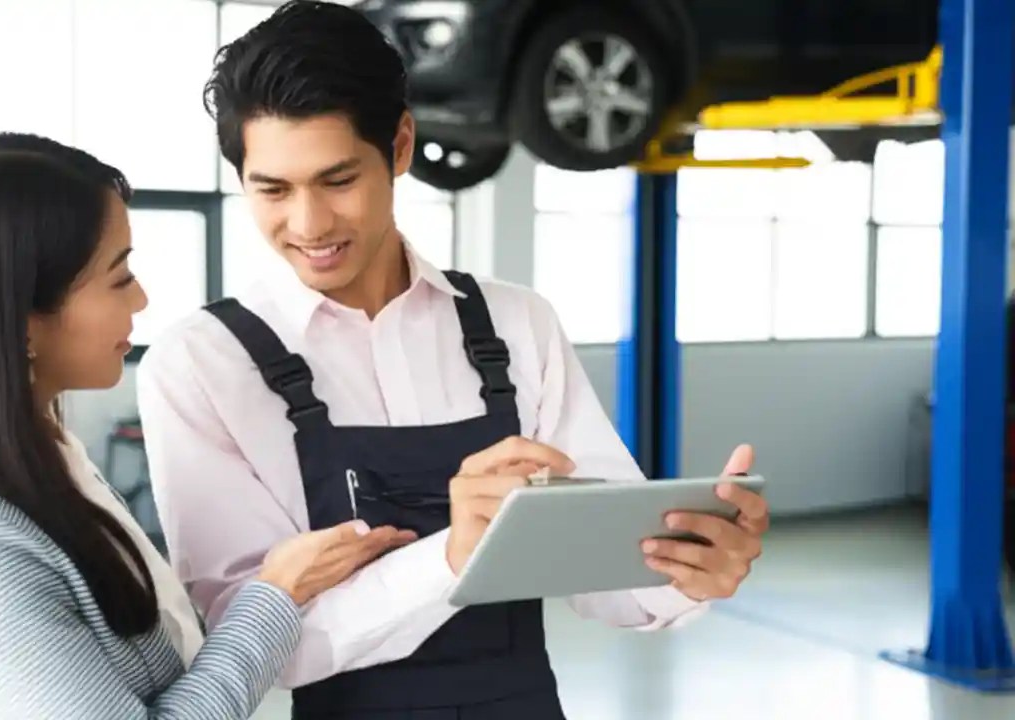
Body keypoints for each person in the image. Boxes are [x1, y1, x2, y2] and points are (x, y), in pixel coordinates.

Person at [136, 2, 770, 719]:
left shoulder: (517, 325)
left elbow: (607, 573)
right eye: (273, 190)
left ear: (401, 147)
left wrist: (690, 566)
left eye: (338, 181)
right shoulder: (199, 366)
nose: (308, 225)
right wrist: (452, 555)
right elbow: (257, 648)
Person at [0, 132, 415, 719]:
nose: (140, 300)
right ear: (22, 322)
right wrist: (275, 596)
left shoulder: (48, 468)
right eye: (118, 278)